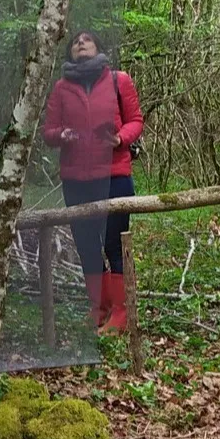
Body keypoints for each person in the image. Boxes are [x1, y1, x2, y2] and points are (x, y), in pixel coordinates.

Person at [40, 30, 143, 332]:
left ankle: (122, 313)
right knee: (86, 245)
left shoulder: (118, 80)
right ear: (70, 52)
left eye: (86, 40)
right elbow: (49, 131)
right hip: (77, 178)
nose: (80, 43)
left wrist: (120, 139)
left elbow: (136, 120)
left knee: (114, 242)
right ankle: (100, 309)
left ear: (98, 46)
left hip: (114, 174)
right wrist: (62, 135)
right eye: (75, 41)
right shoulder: (61, 87)